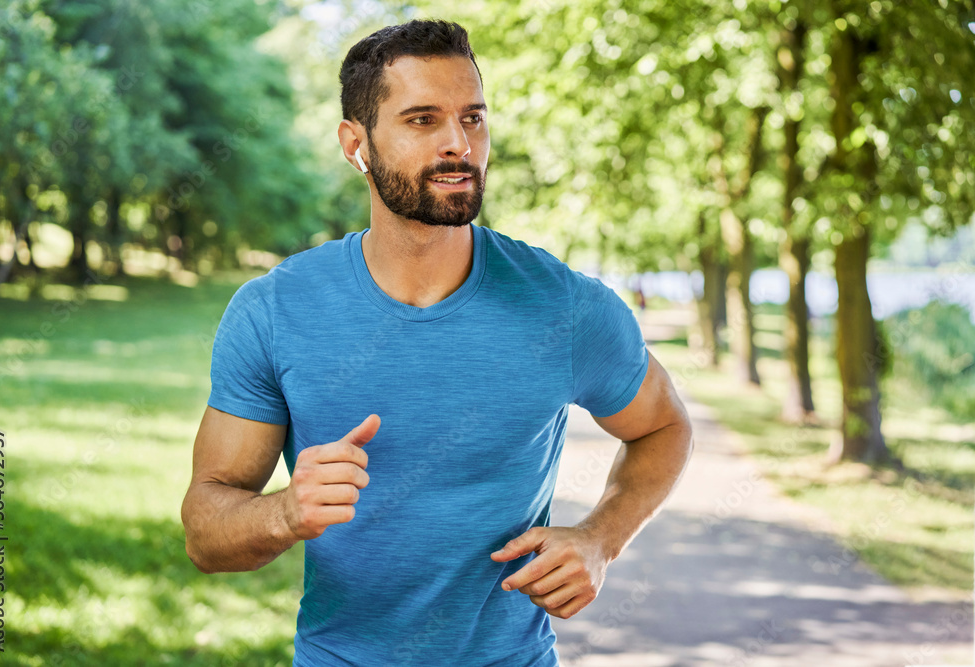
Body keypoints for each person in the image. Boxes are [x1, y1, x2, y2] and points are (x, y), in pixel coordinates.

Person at [181, 19, 693, 667]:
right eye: (423, 120)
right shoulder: (275, 310)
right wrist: (286, 512)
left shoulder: (563, 304)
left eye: (473, 119)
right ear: (355, 144)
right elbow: (206, 530)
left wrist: (600, 538)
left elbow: (665, 426)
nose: (459, 143)